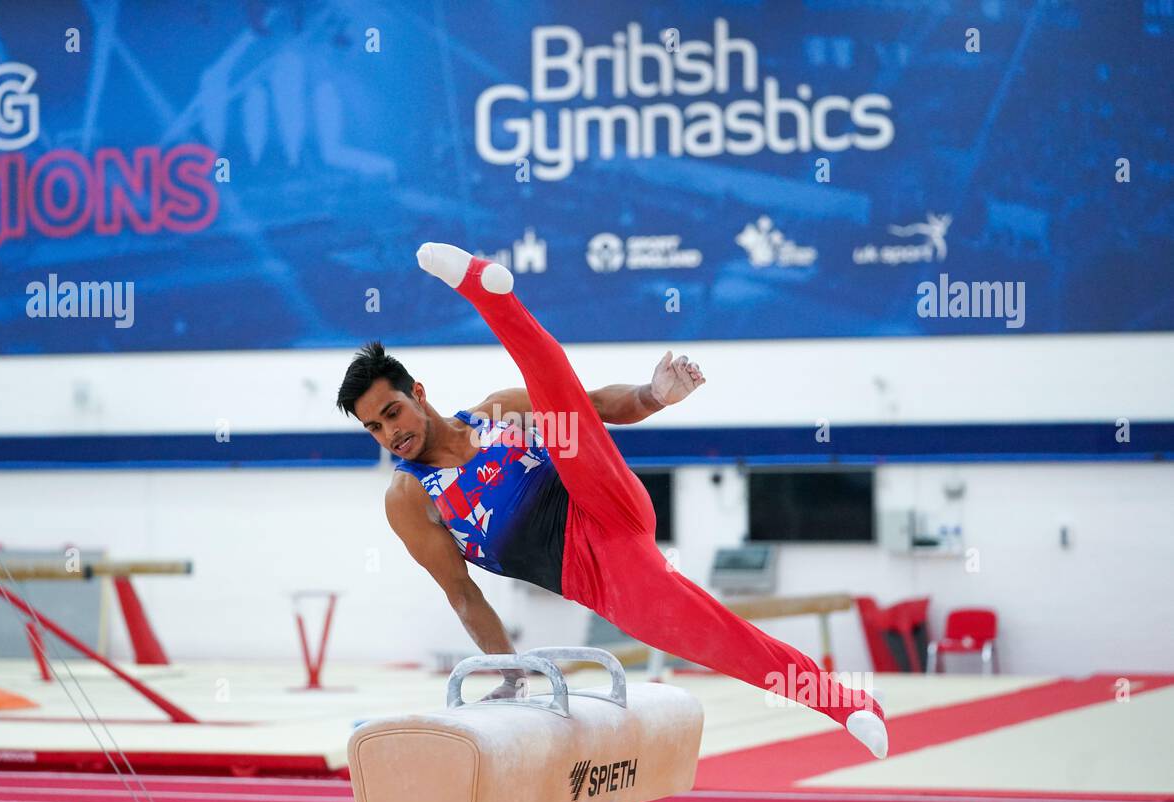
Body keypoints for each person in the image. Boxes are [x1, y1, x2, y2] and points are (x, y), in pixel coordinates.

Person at [335, 243, 887, 758]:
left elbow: (594, 404)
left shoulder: (496, 412)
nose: (390, 433)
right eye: (374, 428)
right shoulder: (409, 497)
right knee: (724, 640)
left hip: (597, 500)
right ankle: (849, 707)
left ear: (419, 394)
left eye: (393, 413)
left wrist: (653, 396)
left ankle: (487, 293)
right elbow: (462, 594)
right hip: (602, 578)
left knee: (560, 403)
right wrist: (511, 673)